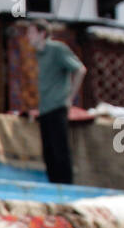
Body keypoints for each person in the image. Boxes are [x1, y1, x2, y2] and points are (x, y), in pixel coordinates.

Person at [26, 19, 86, 185]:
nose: (28, 37)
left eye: (31, 32)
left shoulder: (57, 49)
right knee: (48, 152)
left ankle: (66, 187)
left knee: (60, 150)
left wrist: (70, 97)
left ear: (42, 33)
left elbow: (79, 69)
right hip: (45, 108)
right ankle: (54, 186)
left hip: (58, 106)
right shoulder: (40, 54)